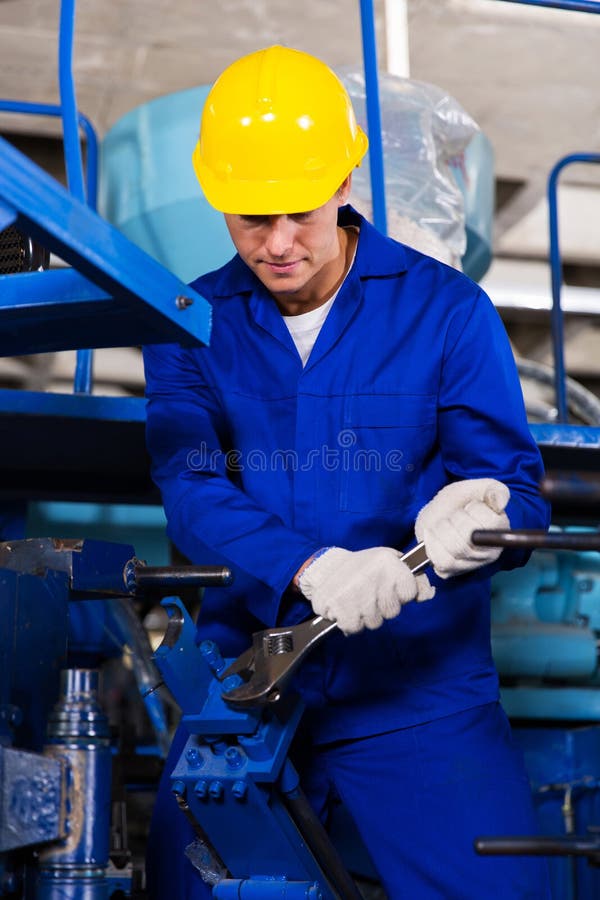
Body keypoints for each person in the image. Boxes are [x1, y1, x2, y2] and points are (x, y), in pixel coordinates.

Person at [143, 45, 551, 899]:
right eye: (252, 219)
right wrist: (310, 567)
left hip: (419, 692)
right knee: (186, 878)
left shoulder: (448, 311)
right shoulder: (189, 321)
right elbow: (191, 487)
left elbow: (512, 490)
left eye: (300, 213)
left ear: (343, 181)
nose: (278, 243)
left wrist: (481, 516)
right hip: (247, 683)